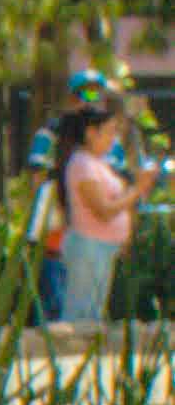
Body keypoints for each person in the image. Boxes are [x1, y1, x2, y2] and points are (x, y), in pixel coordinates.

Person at [54, 95, 147, 322]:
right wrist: (138, 190)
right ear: (90, 133)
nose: (113, 139)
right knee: (82, 311)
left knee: (94, 310)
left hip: (102, 246)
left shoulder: (98, 163)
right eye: (109, 132)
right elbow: (103, 210)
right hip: (89, 245)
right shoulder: (82, 165)